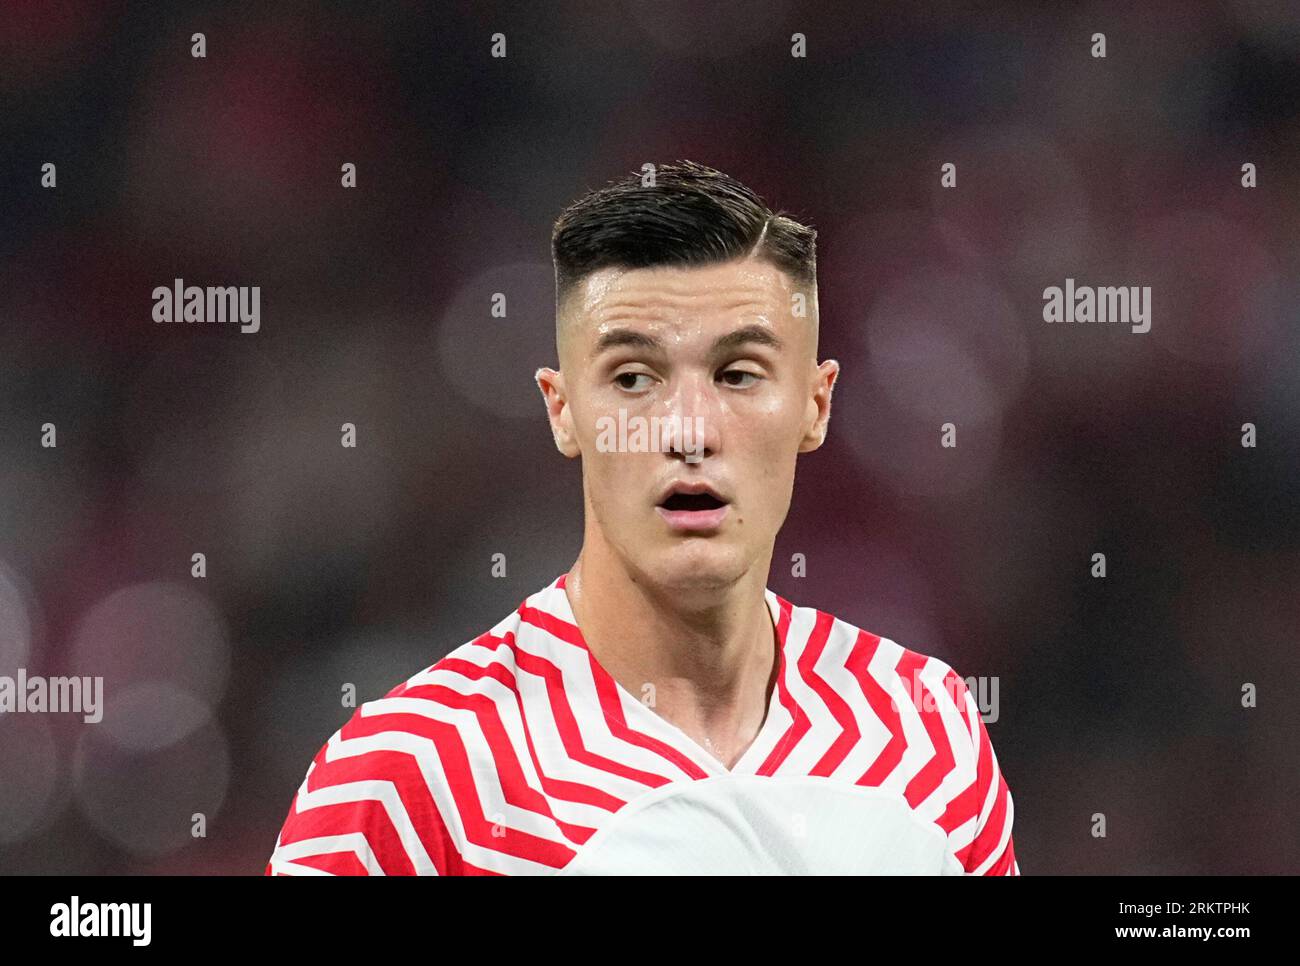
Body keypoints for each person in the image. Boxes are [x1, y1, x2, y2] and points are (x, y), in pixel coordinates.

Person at [265, 160, 1019, 875]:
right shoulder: (409, 771)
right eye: (633, 377)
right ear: (563, 412)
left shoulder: (926, 725)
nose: (689, 429)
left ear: (815, 406)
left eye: (738, 374)